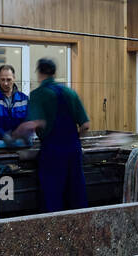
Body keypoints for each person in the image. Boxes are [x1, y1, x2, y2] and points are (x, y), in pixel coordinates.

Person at [12, 57, 90, 212]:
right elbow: (86, 125)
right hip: (74, 152)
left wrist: (14, 135)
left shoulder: (39, 94)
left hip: (53, 153)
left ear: (39, 73)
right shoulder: (70, 93)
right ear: (54, 73)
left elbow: (34, 124)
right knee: (76, 197)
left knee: (52, 199)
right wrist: (75, 140)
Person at [0, 64, 29, 142]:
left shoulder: (24, 99)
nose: (5, 83)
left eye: (8, 79)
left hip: (18, 144)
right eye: (2, 79)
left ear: (14, 78)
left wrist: (19, 135)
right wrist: (3, 135)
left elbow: (27, 121)